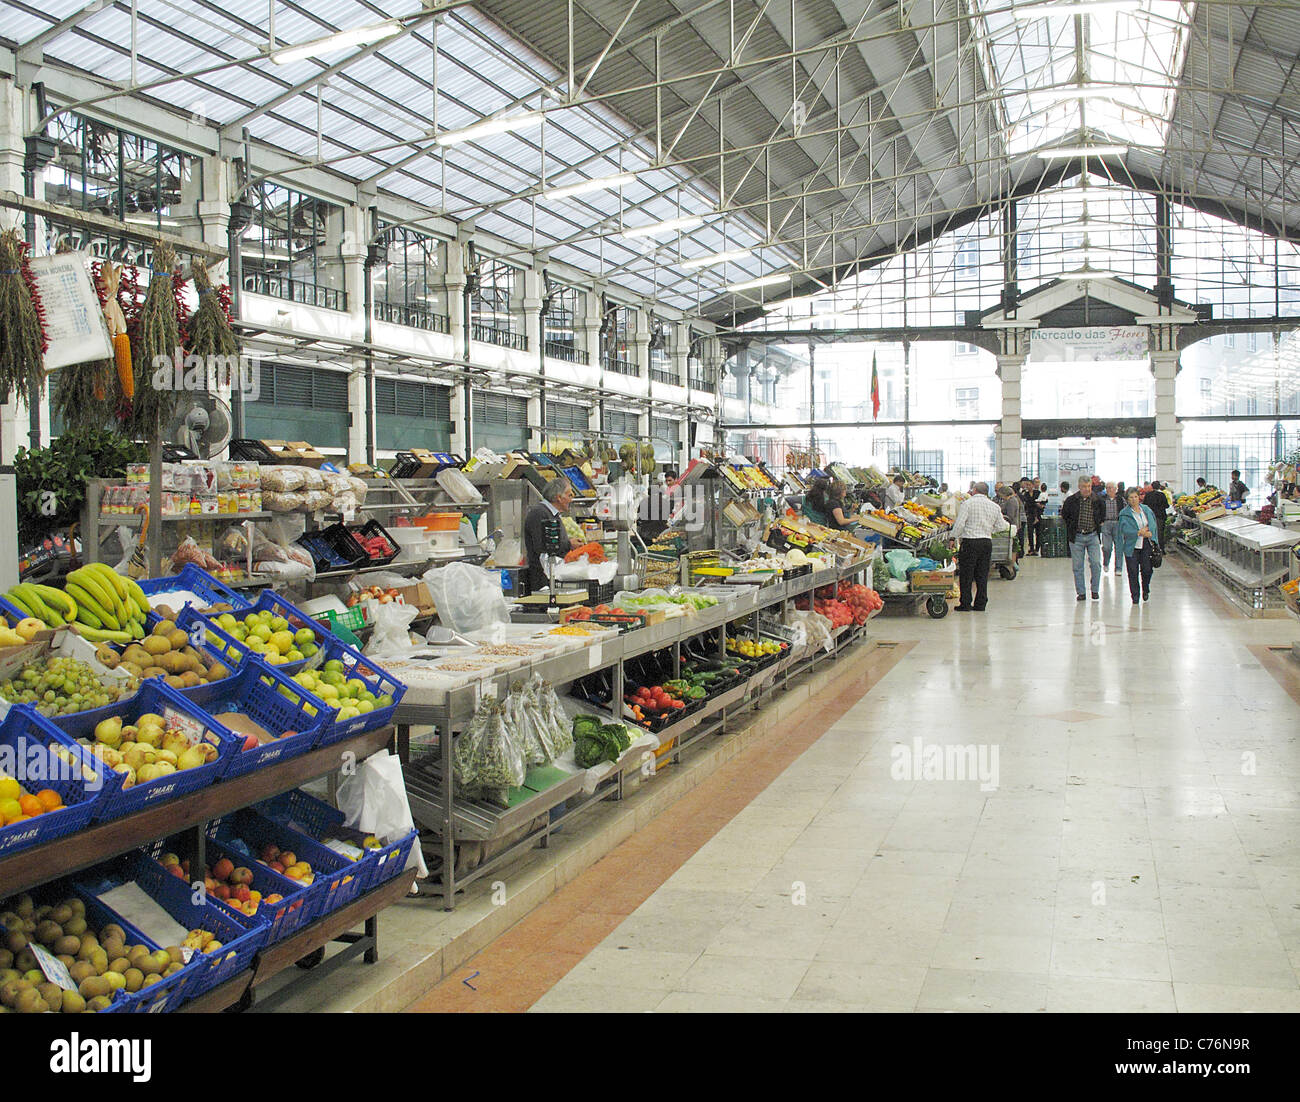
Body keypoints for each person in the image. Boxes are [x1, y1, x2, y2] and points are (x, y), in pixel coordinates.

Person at [950, 481, 1006, 612]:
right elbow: (1001, 526)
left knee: (966, 574)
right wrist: (988, 530)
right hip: (986, 542)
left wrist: (952, 537)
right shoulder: (994, 506)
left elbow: (960, 524)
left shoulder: (967, 504)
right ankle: (981, 603)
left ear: (974, 490)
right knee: (982, 573)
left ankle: (965, 603)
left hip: (970, 542)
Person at [524, 478, 581, 593]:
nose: (571, 499)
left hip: (552, 576)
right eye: (569, 495)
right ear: (559, 497)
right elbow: (543, 546)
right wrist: (569, 544)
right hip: (542, 581)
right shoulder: (540, 513)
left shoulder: (552, 514)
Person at [1062, 475, 1107, 601]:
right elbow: (1065, 515)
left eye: (1089, 486)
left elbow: (1102, 514)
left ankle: (1095, 590)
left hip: (1093, 536)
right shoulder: (1071, 500)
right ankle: (1081, 592)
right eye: (1084, 487)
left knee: (1096, 563)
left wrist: (1099, 524)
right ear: (1079, 487)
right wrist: (1071, 526)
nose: (1086, 489)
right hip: (1076, 537)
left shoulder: (1098, 500)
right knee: (1077, 566)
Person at [1118, 487, 1160, 604]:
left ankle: (1145, 589)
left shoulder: (1146, 510)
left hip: (1146, 545)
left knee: (1147, 570)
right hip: (1132, 547)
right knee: (1133, 571)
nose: (1134, 499)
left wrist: (1149, 533)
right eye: (1131, 497)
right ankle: (1135, 596)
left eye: (1136, 497)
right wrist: (1138, 532)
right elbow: (1123, 530)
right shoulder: (1124, 514)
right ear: (1127, 499)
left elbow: (1152, 524)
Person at [1100, 480, 1122, 574]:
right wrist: (1100, 522)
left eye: (1111, 488)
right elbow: (1097, 510)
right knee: (1107, 547)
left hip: (1118, 524)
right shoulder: (1102, 499)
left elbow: (1125, 511)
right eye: (1107, 488)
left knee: (1119, 547)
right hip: (1106, 524)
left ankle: (1118, 568)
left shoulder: (1120, 499)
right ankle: (1106, 563)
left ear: (1116, 489)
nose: (1109, 490)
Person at [1144, 480, 1170, 550]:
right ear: (1159, 487)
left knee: (1150, 532)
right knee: (1160, 533)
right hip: (1160, 517)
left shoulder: (1148, 495)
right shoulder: (1162, 495)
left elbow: (1144, 506)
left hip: (1150, 517)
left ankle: (1151, 548)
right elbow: (1166, 505)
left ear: (1152, 486)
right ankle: (1160, 549)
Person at [997, 484, 1023, 556]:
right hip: (1013, 525)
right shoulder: (1012, 500)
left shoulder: (1011, 501)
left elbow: (1010, 516)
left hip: (1012, 526)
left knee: (1012, 546)